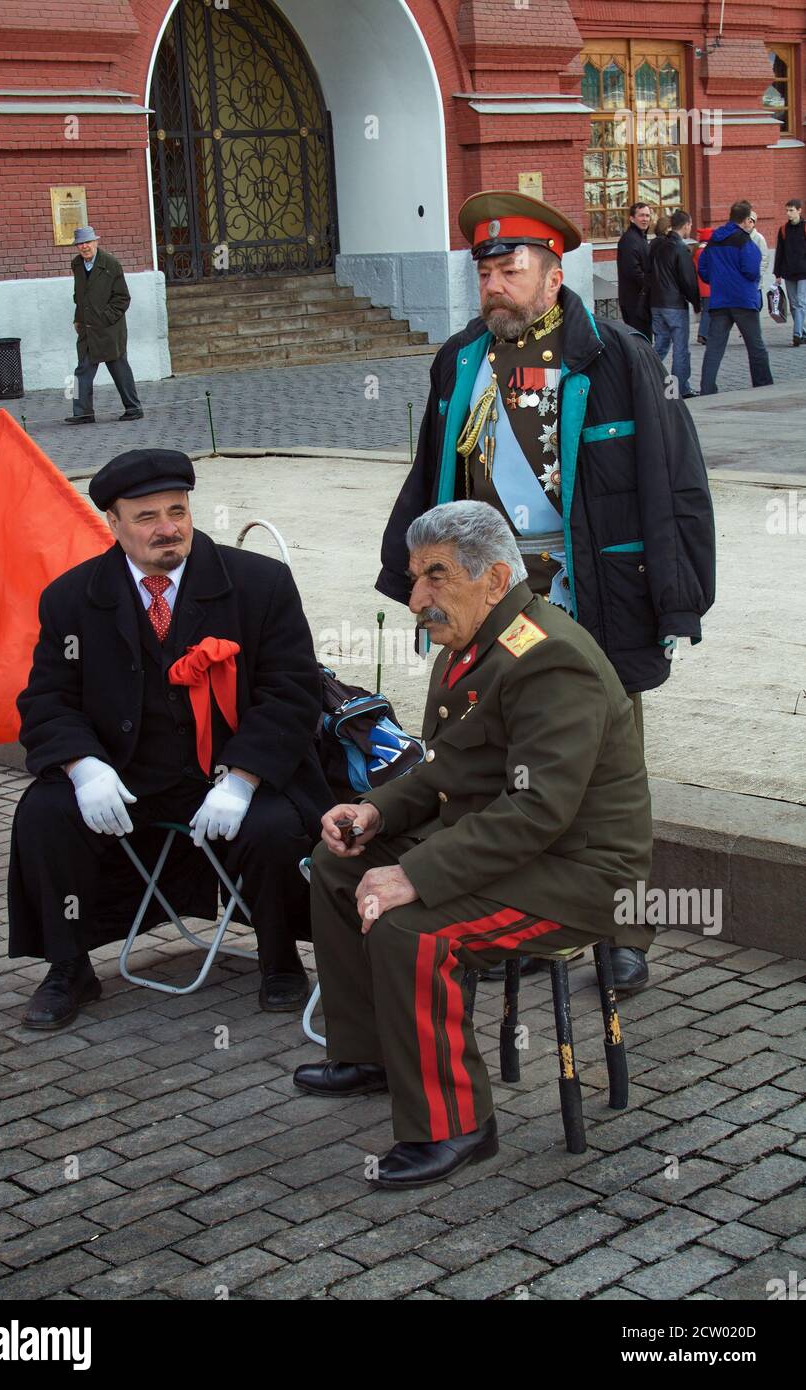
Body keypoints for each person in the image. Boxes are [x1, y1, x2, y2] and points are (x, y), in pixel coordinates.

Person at [376, 189, 715, 995]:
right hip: (480, 596)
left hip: (586, 587)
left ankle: (621, 927)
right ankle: (503, 909)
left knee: (608, 766)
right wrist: (416, 583)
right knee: (473, 748)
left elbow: (674, 482)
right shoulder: (459, 360)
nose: (493, 282)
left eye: (510, 267)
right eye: (484, 269)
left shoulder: (616, 354)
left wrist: (675, 599)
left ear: (554, 272)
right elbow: (434, 474)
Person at [295, 501, 653, 1189]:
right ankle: (373, 1054)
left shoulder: (547, 659)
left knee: (413, 929)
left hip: (579, 874)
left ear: (493, 579)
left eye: (436, 577)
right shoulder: (475, 644)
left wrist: (417, 875)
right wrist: (372, 814)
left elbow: (539, 809)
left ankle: (455, 1124)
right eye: (414, 577)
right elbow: (443, 771)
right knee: (339, 871)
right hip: (510, 850)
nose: (416, 597)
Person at [8, 448, 331, 1026]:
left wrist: (242, 779)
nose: (168, 530)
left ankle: (281, 959)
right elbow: (47, 698)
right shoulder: (70, 598)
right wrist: (84, 767)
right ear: (113, 523)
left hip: (228, 770)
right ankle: (67, 965)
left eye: (177, 512)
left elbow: (293, 692)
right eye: (147, 517)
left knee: (275, 824)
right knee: (44, 813)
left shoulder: (260, 583)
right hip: (127, 775)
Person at [66, 226, 143, 425]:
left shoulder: (111, 264)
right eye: (80, 244)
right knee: (81, 371)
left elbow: (122, 298)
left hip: (109, 329)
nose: (84, 247)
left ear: (96, 242)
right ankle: (82, 413)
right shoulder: (76, 265)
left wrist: (106, 318)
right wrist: (78, 318)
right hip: (87, 330)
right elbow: (79, 296)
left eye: (87, 242)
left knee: (119, 369)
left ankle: (134, 408)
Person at [698, 200, 774, 394]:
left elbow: (703, 270)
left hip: (719, 300)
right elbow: (751, 270)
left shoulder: (714, 240)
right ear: (747, 219)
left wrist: (718, 279)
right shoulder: (744, 241)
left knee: (714, 348)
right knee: (755, 346)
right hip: (743, 301)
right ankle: (763, 385)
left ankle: (707, 388)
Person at [649, 209, 701, 398]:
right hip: (674, 304)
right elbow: (688, 280)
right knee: (680, 348)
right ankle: (679, 389)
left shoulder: (658, 246)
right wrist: (696, 302)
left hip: (656, 302)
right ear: (686, 224)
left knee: (661, 344)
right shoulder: (680, 248)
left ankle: (646, 377)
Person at [773, 198, 806, 346]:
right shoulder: (783, 230)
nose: (788, 213)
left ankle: (796, 334)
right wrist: (777, 273)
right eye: (787, 210)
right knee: (793, 305)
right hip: (788, 272)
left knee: (800, 302)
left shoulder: (805, 228)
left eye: (791, 210)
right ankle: (803, 330)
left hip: (804, 272)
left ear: (799, 210)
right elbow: (780, 252)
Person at [616, 202, 652, 336]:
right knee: (640, 340)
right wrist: (649, 286)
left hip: (640, 299)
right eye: (641, 215)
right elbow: (633, 271)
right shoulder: (630, 240)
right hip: (634, 301)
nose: (645, 219)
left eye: (647, 216)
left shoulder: (640, 238)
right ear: (632, 218)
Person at [693, 228, 712, 343]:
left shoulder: (696, 251)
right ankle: (703, 334)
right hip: (707, 287)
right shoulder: (706, 252)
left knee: (706, 310)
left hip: (699, 286)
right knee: (707, 311)